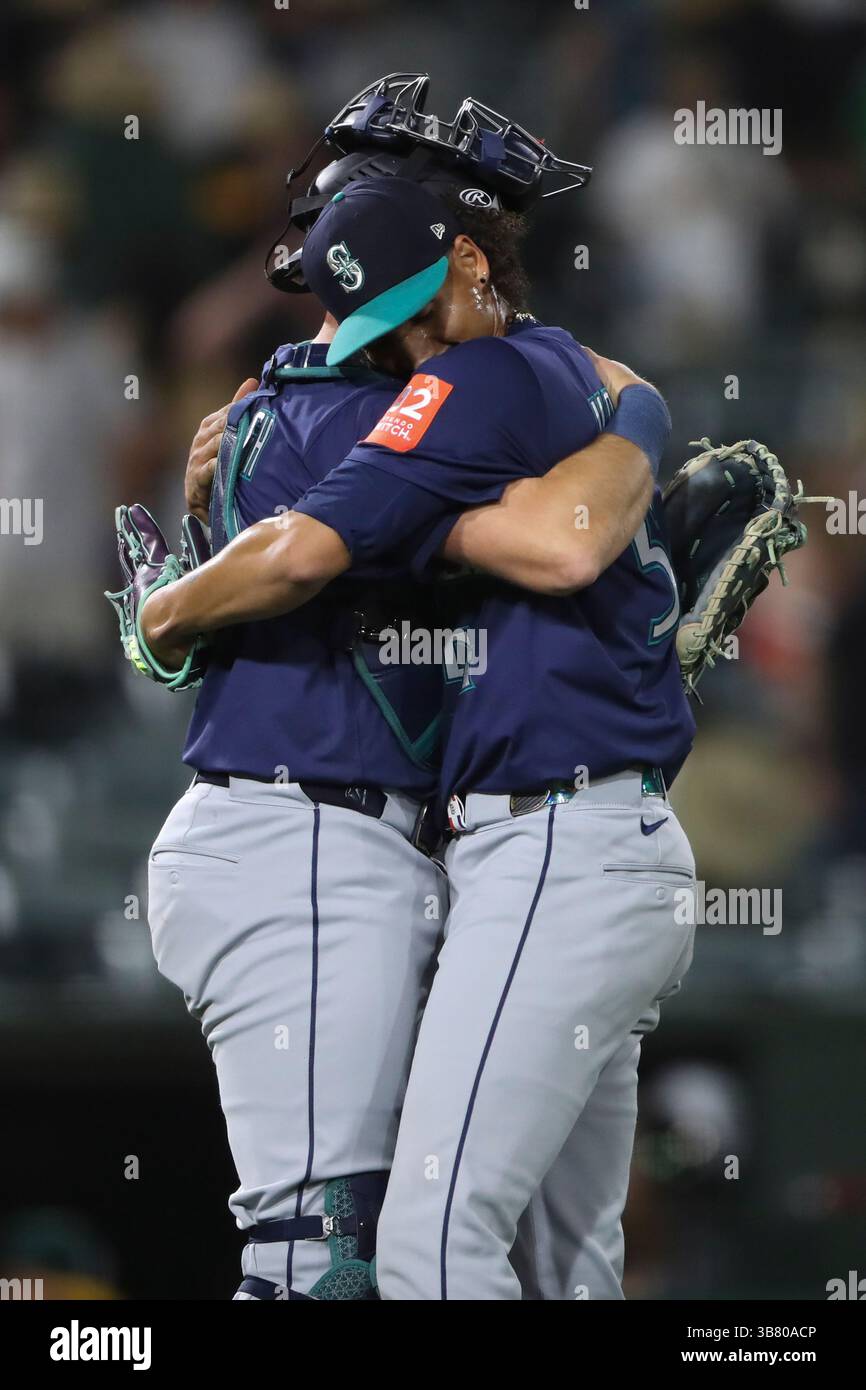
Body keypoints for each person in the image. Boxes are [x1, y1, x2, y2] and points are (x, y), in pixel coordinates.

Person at [137, 173, 696, 1300]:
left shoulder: (476, 380)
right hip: (551, 843)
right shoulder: (539, 384)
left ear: (470, 263)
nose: (394, 348)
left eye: (408, 310)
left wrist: (162, 613)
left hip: (550, 846)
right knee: (555, 1270)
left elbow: (557, 547)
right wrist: (635, 419)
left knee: (404, 1255)